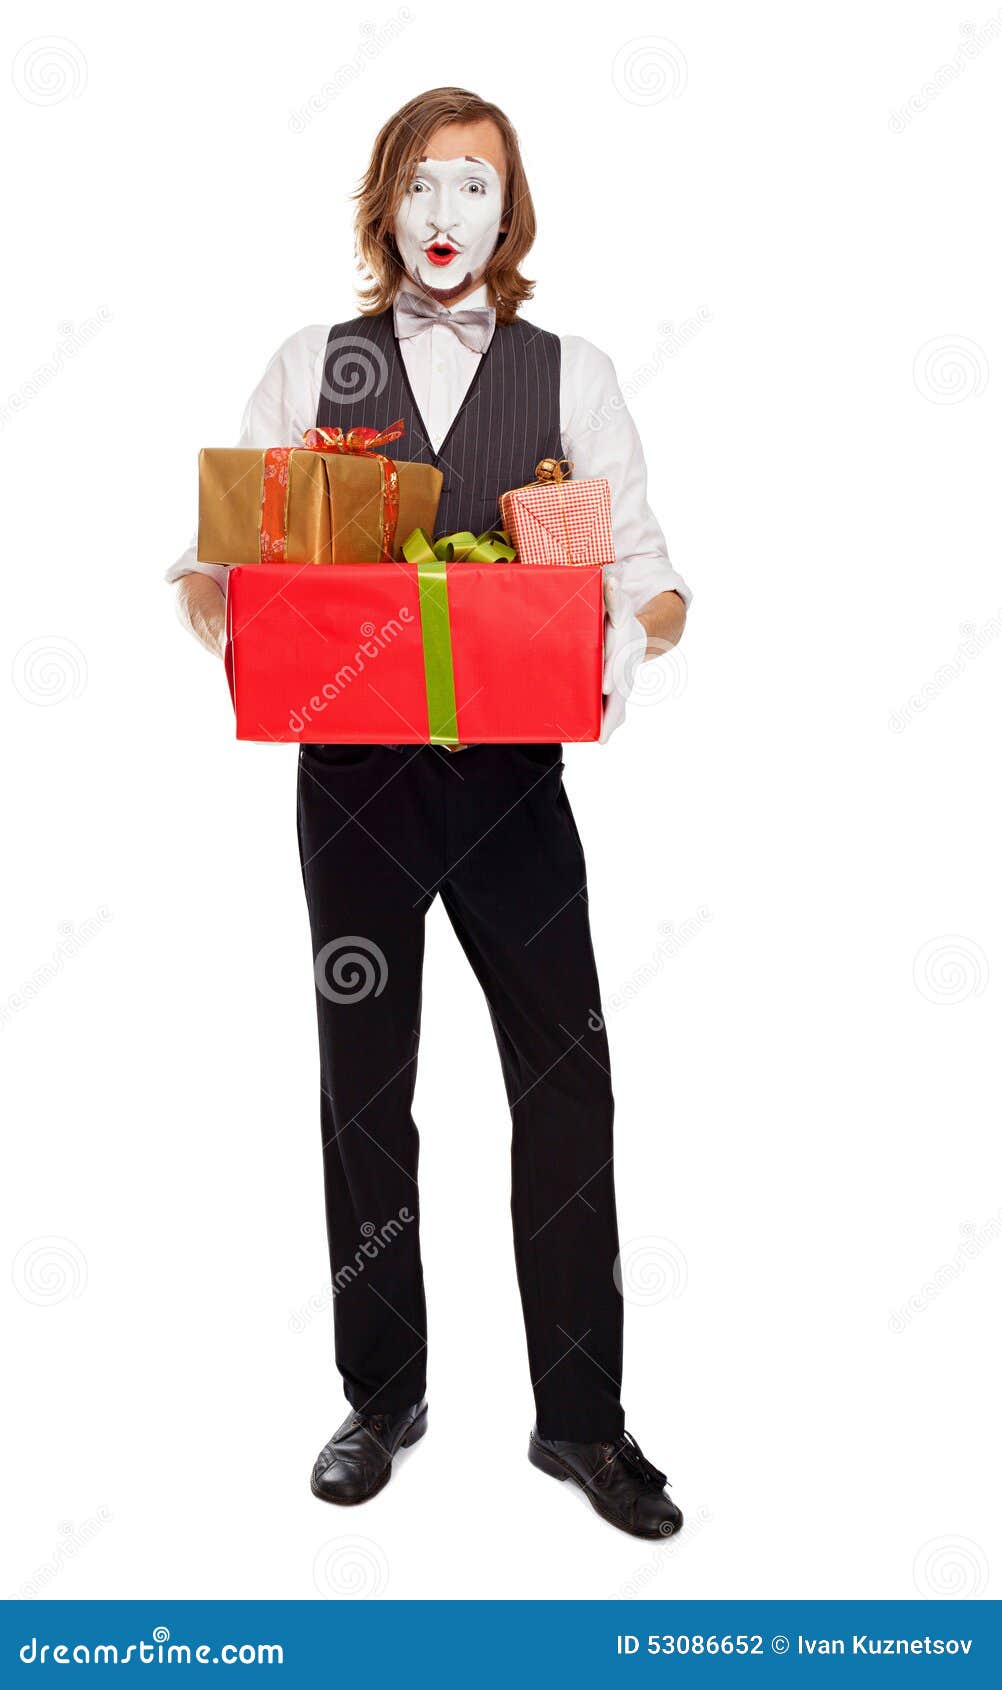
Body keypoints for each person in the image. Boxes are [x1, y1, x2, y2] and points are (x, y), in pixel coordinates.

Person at [168, 87, 691, 1540]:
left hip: (513, 779)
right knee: (364, 1087)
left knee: (565, 1079)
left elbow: (651, 570)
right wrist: (225, 603)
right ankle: (379, 1391)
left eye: (474, 188)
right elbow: (221, 553)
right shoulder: (307, 366)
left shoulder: (568, 374)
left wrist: (633, 631)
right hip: (354, 784)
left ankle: (581, 1421)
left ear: (506, 214)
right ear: (385, 204)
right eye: (422, 187)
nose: (445, 216)